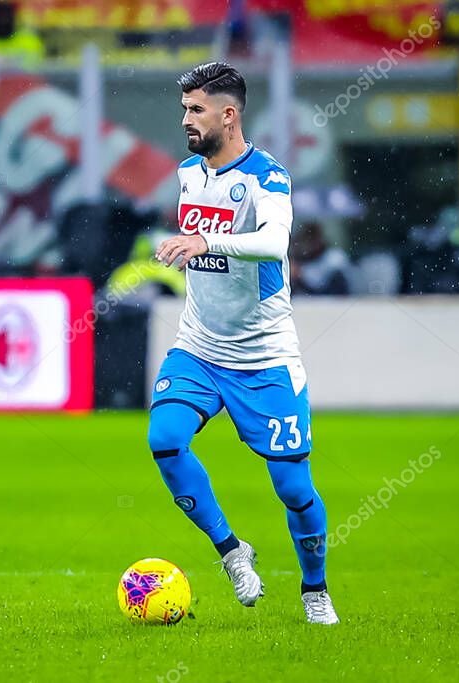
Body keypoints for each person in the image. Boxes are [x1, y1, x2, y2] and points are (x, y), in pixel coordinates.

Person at [149, 62, 338, 625]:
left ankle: (314, 589)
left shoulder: (268, 177)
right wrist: (180, 246)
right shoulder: (188, 174)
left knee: (293, 487)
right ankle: (232, 551)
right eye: (184, 108)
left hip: (264, 357)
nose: (186, 118)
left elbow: (274, 242)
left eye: (196, 109)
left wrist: (204, 237)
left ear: (228, 115)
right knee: (165, 439)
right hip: (200, 346)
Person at [289, 221, 356, 295]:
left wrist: (300, 273)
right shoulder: (305, 257)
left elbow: (319, 284)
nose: (307, 245)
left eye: (311, 240)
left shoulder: (334, 256)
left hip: (335, 300)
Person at [0, 1, 45, 68]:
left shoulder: (30, 42)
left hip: (21, 80)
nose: (2, 19)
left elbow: (35, 73)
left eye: (7, 12)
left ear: (15, 15)